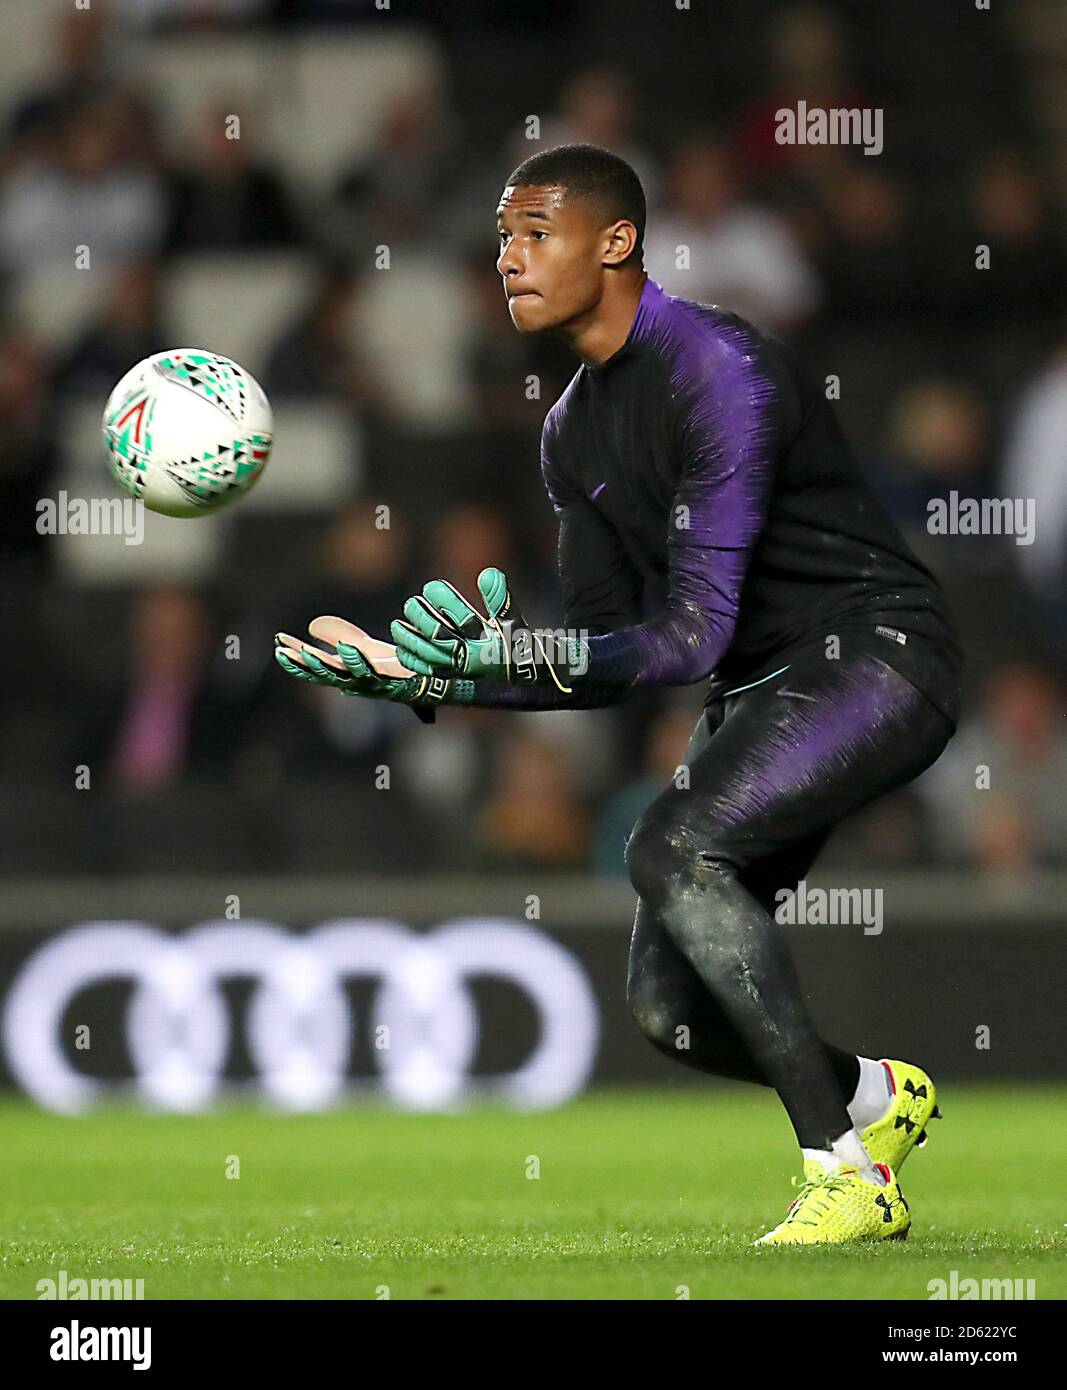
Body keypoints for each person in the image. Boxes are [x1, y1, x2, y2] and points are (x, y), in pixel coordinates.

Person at [275, 143, 962, 1246]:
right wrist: (434, 674)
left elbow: (685, 637)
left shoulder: (719, 372)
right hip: (762, 689)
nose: (506, 256)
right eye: (501, 236)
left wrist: (484, 663)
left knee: (671, 846)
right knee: (668, 1013)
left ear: (616, 242)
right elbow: (604, 658)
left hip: (875, 654)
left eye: (533, 231)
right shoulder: (569, 432)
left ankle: (844, 1175)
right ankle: (877, 1099)